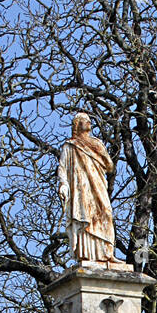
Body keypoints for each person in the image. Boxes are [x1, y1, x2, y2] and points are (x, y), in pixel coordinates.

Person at [57, 113, 119, 266]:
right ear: (77, 124)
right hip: (81, 188)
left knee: (105, 213)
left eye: (90, 120)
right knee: (85, 215)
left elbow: (109, 166)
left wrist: (102, 153)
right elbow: (62, 167)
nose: (89, 122)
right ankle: (86, 254)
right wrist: (63, 184)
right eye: (85, 120)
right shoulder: (70, 145)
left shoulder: (96, 143)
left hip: (97, 184)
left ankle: (107, 252)